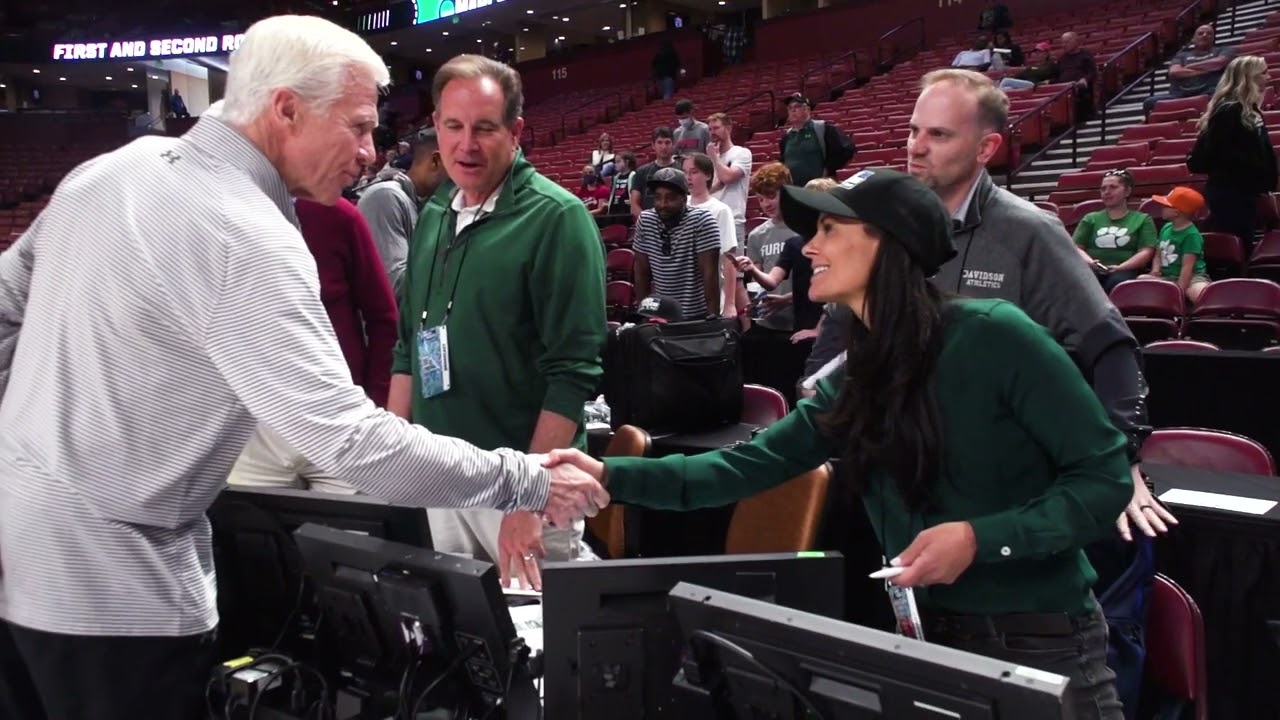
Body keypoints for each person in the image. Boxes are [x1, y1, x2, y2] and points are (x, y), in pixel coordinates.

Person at [0, 18, 607, 719]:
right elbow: (347, 441)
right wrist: (525, 477)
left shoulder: (109, 171)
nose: (367, 152)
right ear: (285, 108)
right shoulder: (244, 231)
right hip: (117, 600)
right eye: (355, 126)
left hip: (22, 565)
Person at [547, 169, 1130, 720]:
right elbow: (747, 467)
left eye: (829, 229)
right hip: (929, 647)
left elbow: (1104, 480)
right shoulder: (859, 375)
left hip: (1040, 646)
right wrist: (609, 477)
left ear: (888, 243)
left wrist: (981, 540)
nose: (807, 247)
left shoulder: (997, 336)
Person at [387, 54, 608, 590]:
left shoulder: (557, 218)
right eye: (454, 127)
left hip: (519, 488)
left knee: (545, 653)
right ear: (435, 128)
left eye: (485, 128)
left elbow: (572, 374)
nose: (467, 145)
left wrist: (529, 497)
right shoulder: (435, 214)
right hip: (438, 478)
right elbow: (409, 347)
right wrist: (391, 468)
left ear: (516, 131)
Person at [227, 195, 400, 493]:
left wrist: (376, 404)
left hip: (340, 421)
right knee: (257, 534)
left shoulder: (337, 216)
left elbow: (384, 319)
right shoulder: (217, 214)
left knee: (354, 537)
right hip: (255, 429)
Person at [1187, 55, 1277, 253]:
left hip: (1244, 191)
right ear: (1249, 77)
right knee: (1236, 246)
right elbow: (1217, 154)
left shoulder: (1248, 110)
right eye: (1263, 73)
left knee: (1244, 242)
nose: (1268, 77)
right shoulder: (1229, 111)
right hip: (1230, 192)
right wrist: (1256, 170)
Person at [357, 127, 448, 292]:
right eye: (458, 164)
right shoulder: (386, 197)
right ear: (436, 161)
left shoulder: (428, 205)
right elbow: (395, 287)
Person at [631, 167, 721, 320]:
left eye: (670, 198)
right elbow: (641, 272)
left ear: (684, 199)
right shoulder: (646, 220)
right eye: (658, 197)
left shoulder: (702, 220)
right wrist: (645, 314)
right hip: (661, 315)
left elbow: (710, 275)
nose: (662, 204)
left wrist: (712, 319)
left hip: (697, 315)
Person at [1073, 169, 1158, 293]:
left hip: (1126, 271)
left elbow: (1146, 251)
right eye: (1103, 189)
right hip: (1093, 269)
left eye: (1113, 187)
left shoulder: (1142, 219)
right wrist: (1090, 262)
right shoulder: (1090, 218)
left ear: (1127, 191)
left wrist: (1121, 267)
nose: (1107, 192)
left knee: (1117, 283)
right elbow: (1076, 247)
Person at [1146, 186, 1212, 304]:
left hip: (1192, 277)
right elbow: (1158, 254)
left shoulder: (1191, 235)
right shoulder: (1166, 227)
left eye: (1166, 206)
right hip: (1167, 276)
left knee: (1199, 293)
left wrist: (1179, 291)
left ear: (1177, 212)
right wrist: (1155, 270)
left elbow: (1188, 267)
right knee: (1140, 281)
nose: (1162, 208)